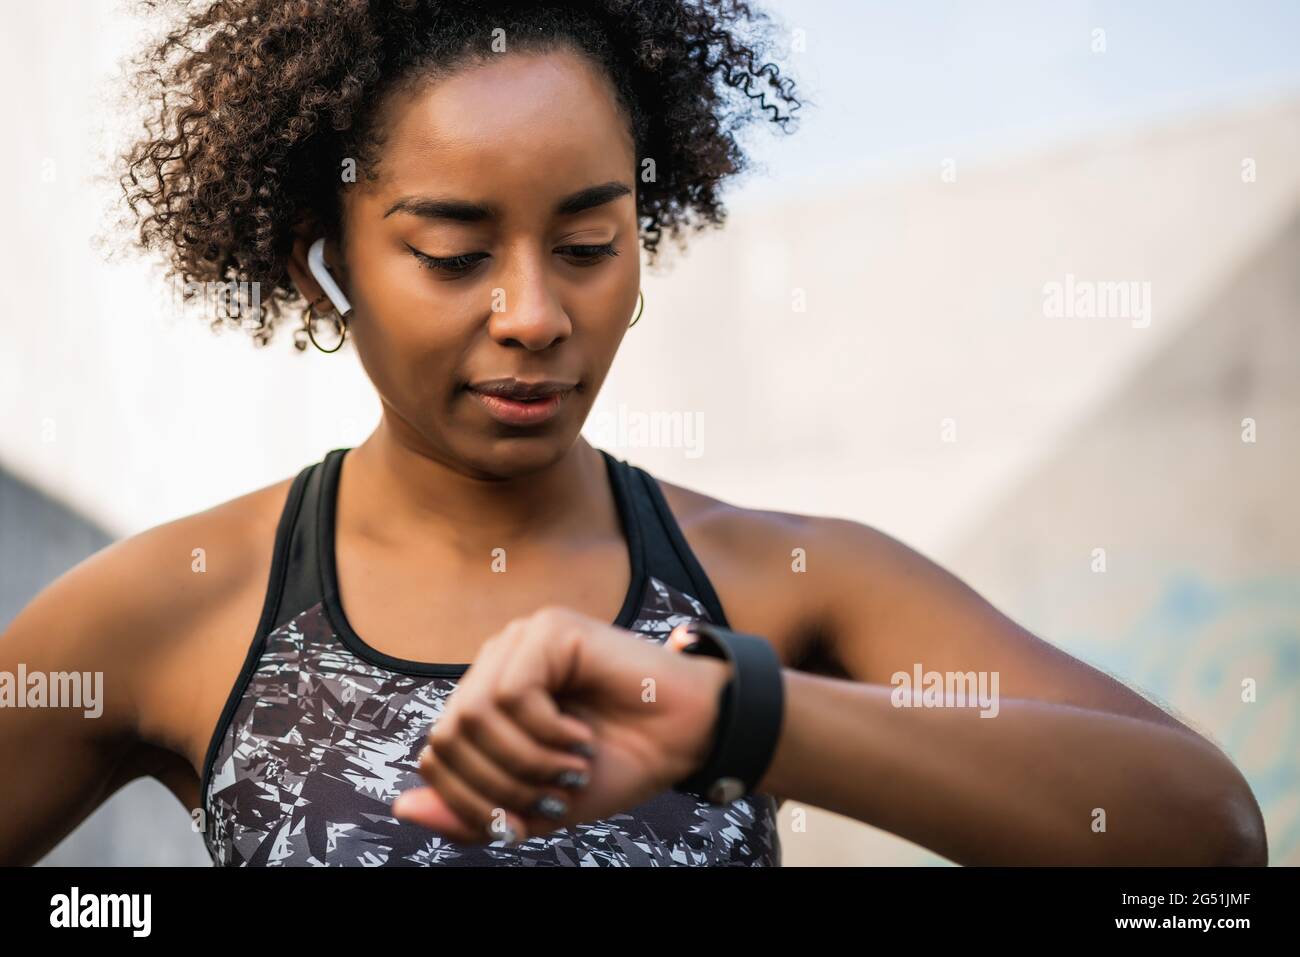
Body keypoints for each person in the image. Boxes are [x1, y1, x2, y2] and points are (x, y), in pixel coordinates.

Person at [0, 0, 1267, 867]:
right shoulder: (173, 607)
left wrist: (737, 717)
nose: (537, 316)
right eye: (451, 254)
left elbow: (1203, 837)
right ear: (324, 266)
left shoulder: (787, 582)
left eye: (590, 246)